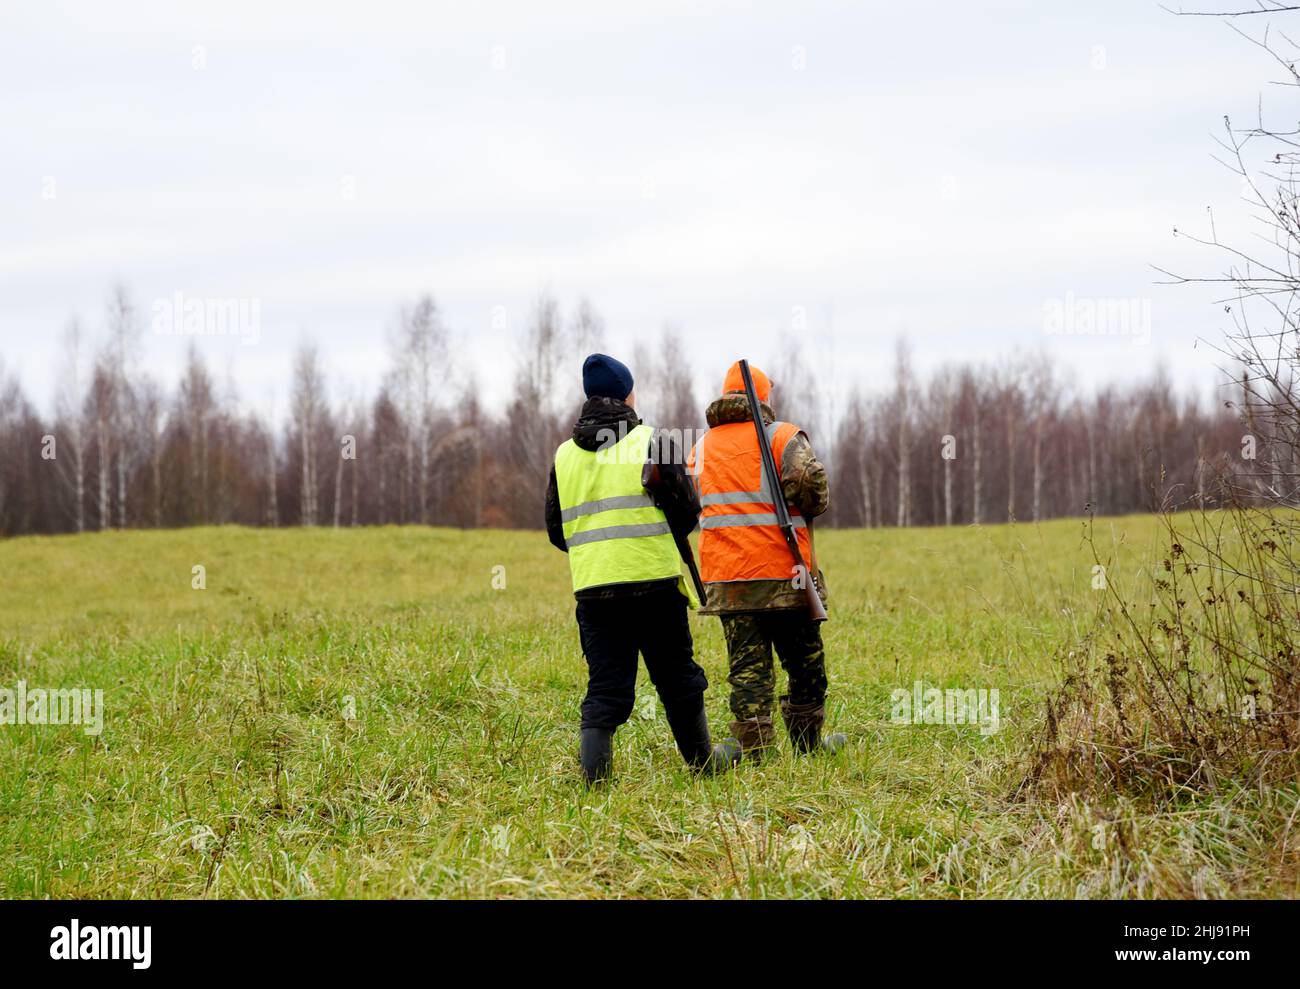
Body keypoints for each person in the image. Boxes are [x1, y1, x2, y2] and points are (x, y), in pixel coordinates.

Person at [545, 353, 738, 784]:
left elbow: (557, 532)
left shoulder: (562, 457)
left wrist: (599, 551)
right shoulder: (654, 441)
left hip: (594, 591)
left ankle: (595, 784)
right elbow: (687, 513)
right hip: (654, 585)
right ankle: (704, 763)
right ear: (627, 394)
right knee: (677, 679)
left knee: (606, 688)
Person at [687, 361, 846, 762]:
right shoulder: (782, 437)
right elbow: (814, 492)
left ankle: (756, 754)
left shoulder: (700, 448)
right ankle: (808, 745)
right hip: (784, 577)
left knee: (747, 671)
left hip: (728, 580)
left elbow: (689, 505)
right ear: (762, 398)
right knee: (805, 663)